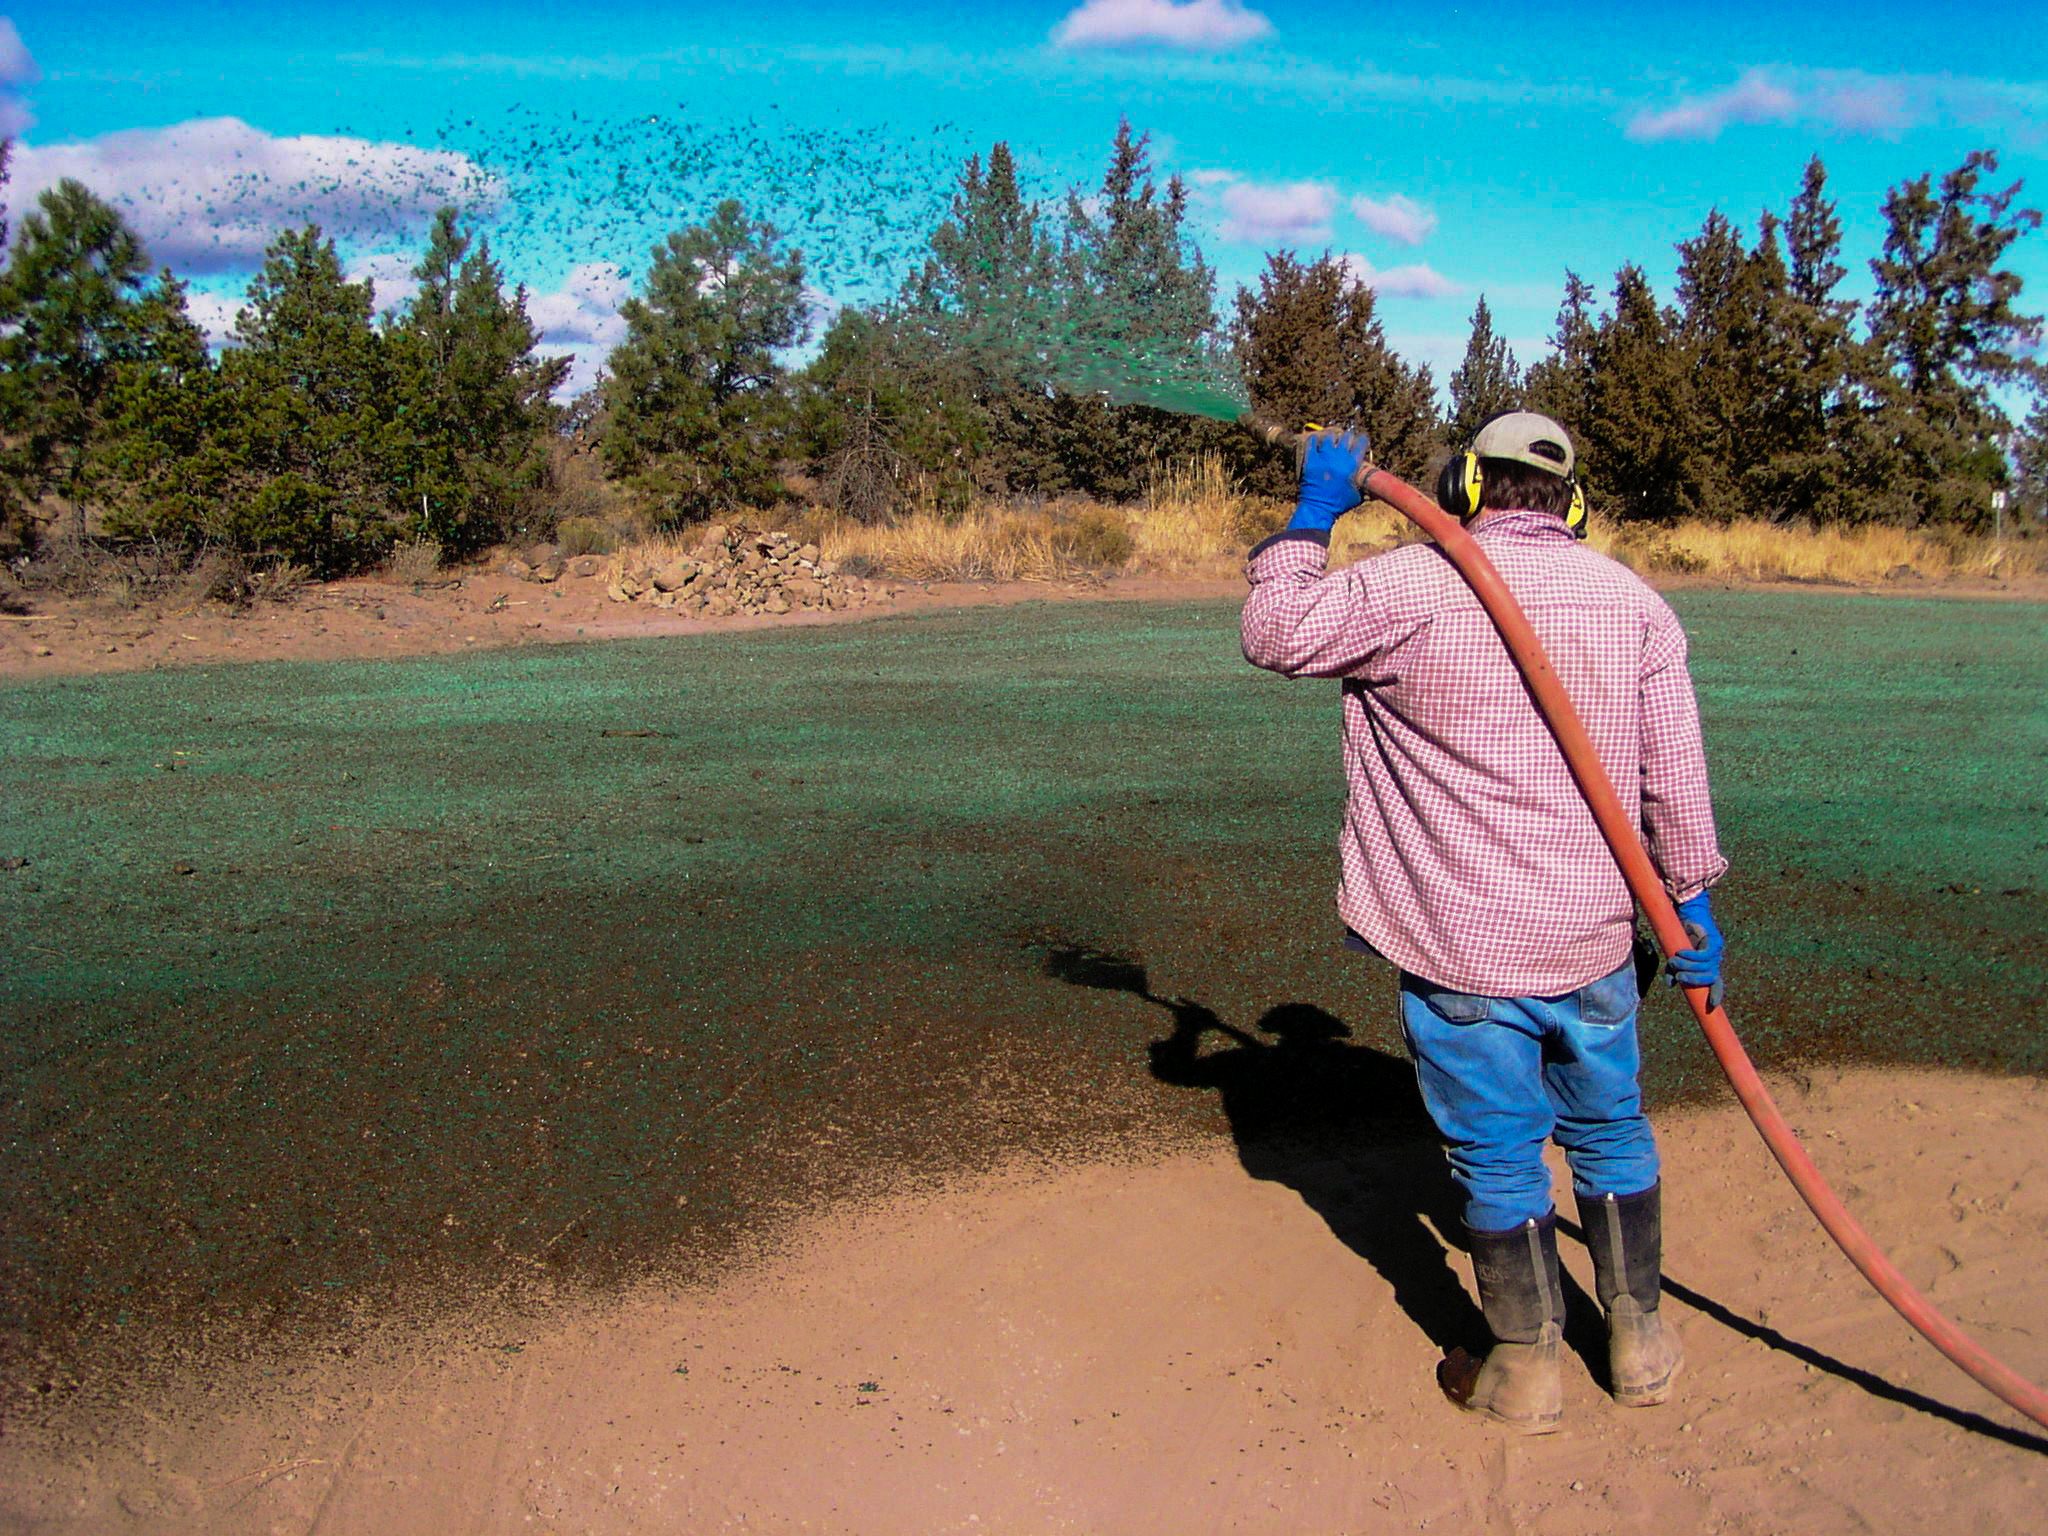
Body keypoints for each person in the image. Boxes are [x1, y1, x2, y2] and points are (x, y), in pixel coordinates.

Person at [1239, 412, 1728, 1433]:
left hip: (1460, 949)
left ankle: (1523, 1366)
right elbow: (1671, 781)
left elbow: (1275, 633)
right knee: (1608, 1127)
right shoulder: (1630, 601)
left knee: (1498, 1155)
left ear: (1463, 484)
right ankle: (1639, 1343)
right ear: (1573, 503)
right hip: (1593, 943)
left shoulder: (1407, 584)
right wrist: (1689, 906)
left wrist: (1311, 517)